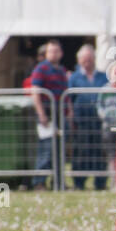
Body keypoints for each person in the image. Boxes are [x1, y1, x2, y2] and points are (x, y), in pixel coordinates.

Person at [67, 44, 109, 190]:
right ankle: (79, 182)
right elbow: (70, 100)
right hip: (81, 121)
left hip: (99, 121)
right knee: (81, 152)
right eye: (85, 59)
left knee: (99, 152)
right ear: (79, 61)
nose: (87, 62)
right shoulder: (74, 77)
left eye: (90, 59)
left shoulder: (103, 76)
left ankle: (100, 182)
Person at [29, 40, 69, 189]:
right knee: (46, 149)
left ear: (61, 53)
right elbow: (36, 92)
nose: (54, 53)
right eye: (51, 51)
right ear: (46, 53)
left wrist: (69, 111)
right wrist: (41, 114)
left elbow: (66, 93)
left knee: (60, 151)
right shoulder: (41, 69)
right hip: (47, 115)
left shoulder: (61, 70)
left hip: (60, 115)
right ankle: (39, 182)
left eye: (56, 51)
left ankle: (58, 182)